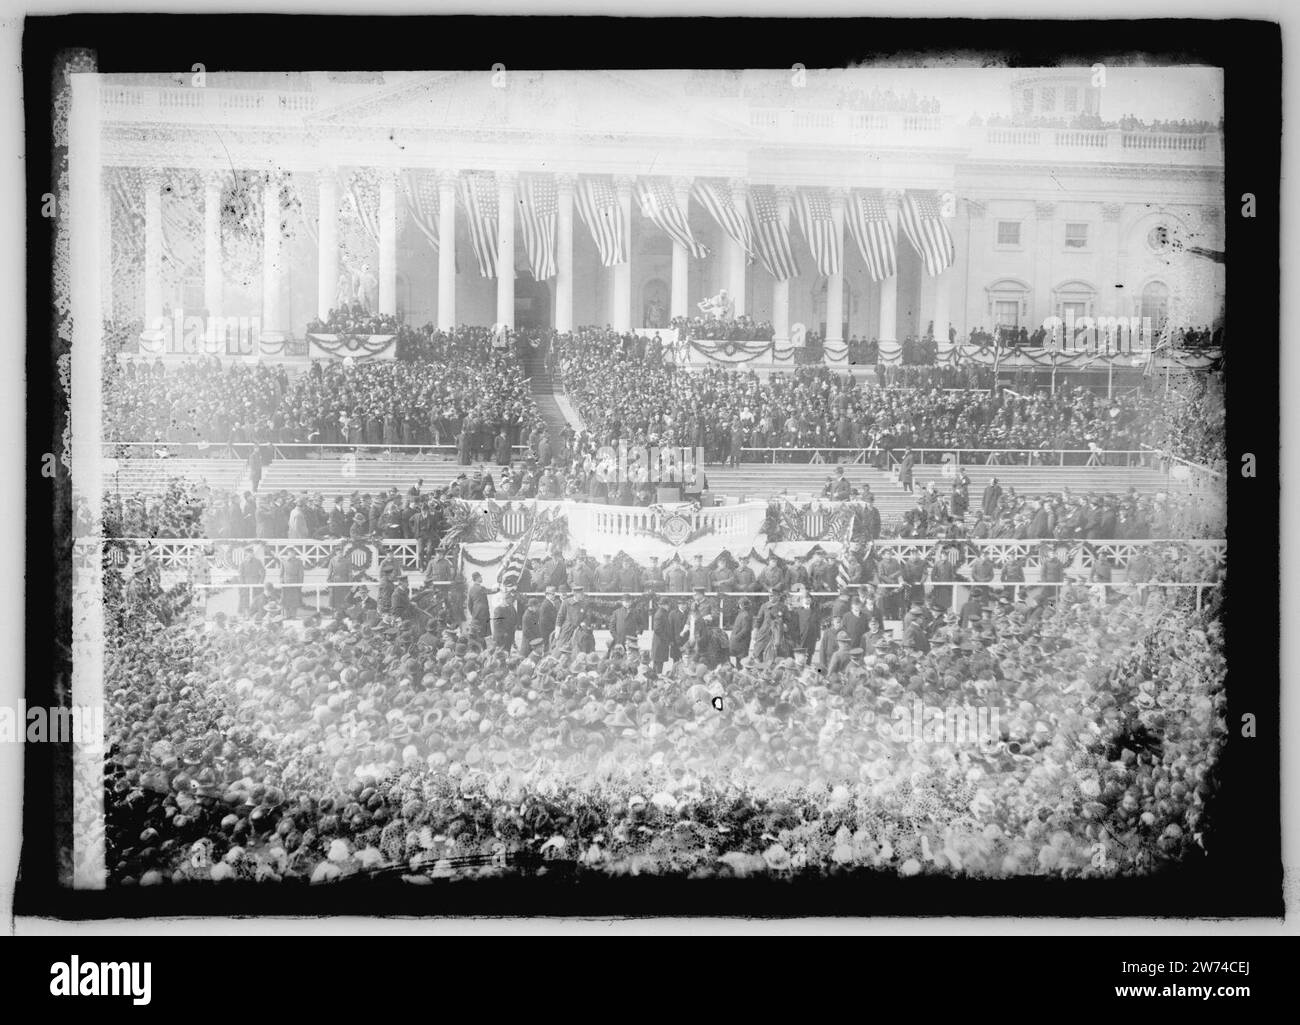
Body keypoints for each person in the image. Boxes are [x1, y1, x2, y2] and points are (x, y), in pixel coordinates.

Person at [280, 550, 304, 616]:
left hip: (295, 583)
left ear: (295, 554)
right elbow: (281, 574)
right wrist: (281, 582)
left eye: (292, 553)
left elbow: (301, 574)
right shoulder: (283, 561)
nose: (291, 555)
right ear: (287, 554)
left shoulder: (299, 562)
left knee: (295, 600)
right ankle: (287, 615)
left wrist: (300, 584)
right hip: (286, 583)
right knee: (286, 600)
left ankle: (293, 616)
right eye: (289, 553)